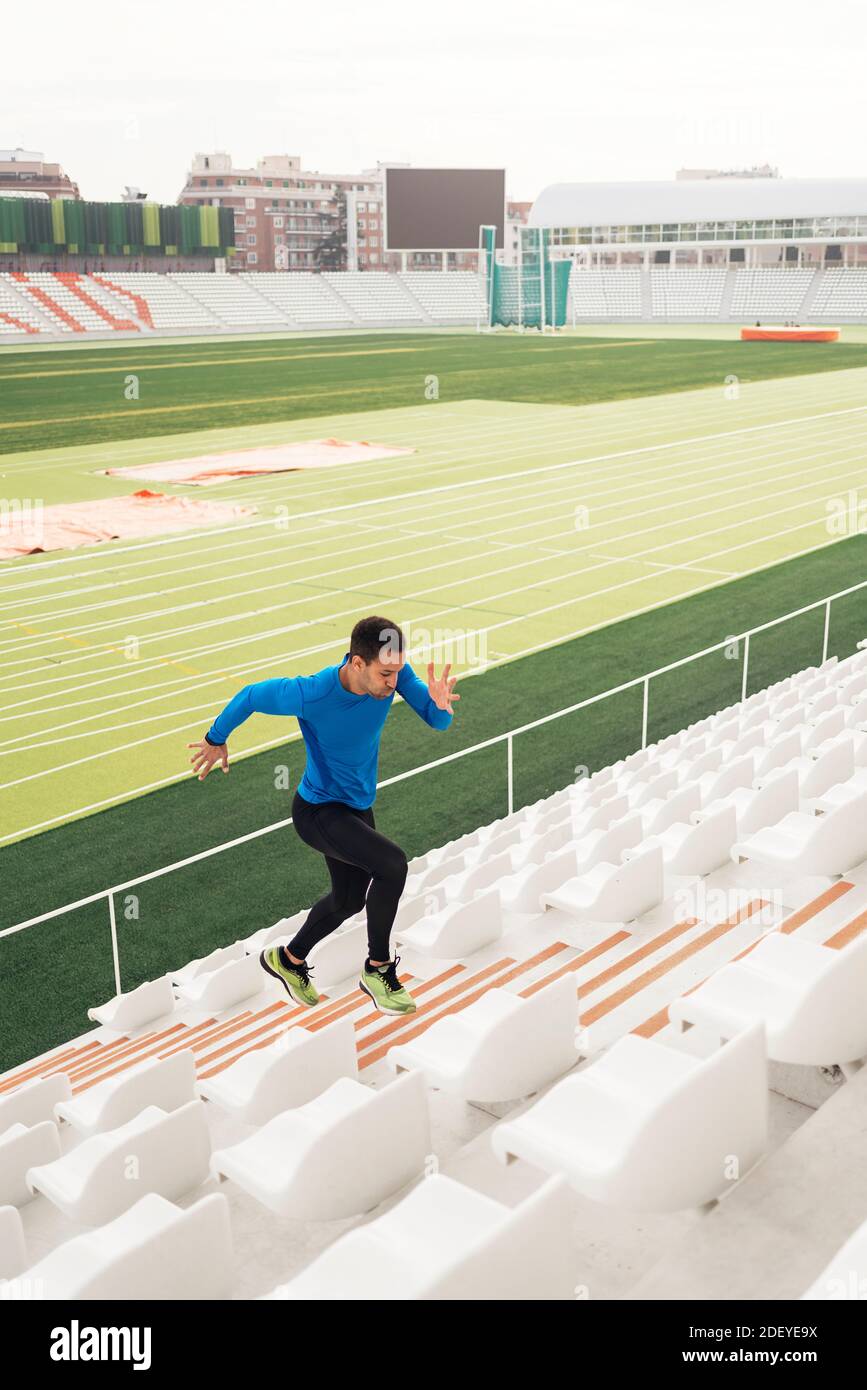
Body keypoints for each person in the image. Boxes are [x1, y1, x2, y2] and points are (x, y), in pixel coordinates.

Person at [188, 616, 459, 1015]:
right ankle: (378, 968)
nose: (394, 682)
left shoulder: (394, 674)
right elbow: (250, 695)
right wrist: (215, 738)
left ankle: (290, 959)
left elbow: (437, 721)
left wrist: (440, 706)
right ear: (356, 664)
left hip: (357, 810)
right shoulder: (312, 693)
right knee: (392, 866)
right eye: (385, 674)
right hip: (318, 811)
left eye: (399, 672)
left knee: (349, 900)